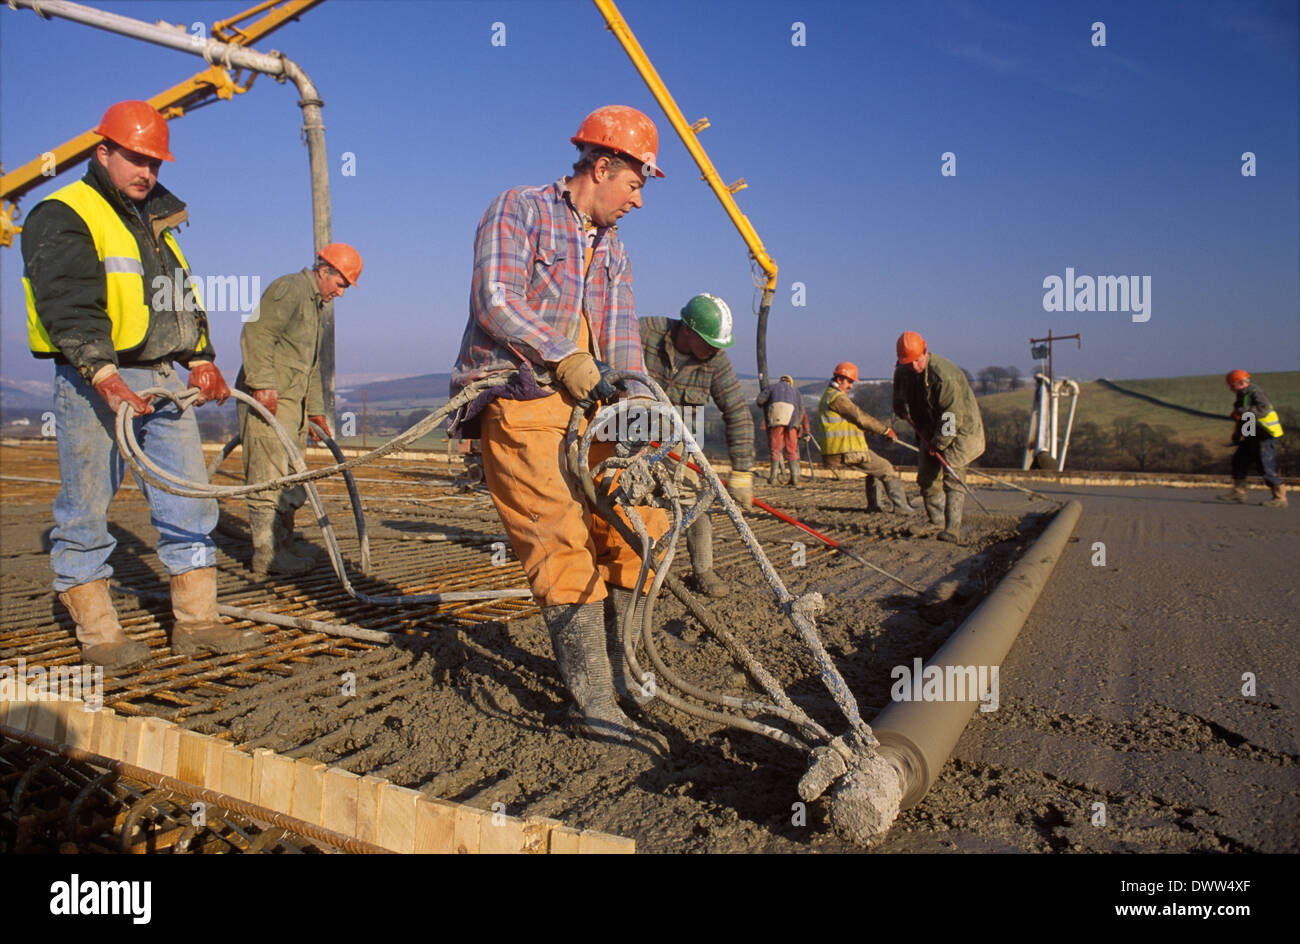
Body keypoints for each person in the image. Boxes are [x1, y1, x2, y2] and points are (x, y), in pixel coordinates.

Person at [449, 105, 668, 741]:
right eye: (635, 185)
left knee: (637, 526)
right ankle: (593, 703)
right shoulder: (519, 209)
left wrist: (635, 404)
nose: (638, 201)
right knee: (560, 539)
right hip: (522, 396)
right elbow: (495, 299)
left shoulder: (614, 249)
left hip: (593, 406)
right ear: (602, 168)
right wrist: (564, 353)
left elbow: (623, 332)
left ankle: (628, 678)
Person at [20, 101, 260, 671]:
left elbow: (181, 298)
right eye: (136, 158)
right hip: (93, 380)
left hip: (159, 379)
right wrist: (102, 374)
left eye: (154, 162)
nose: (147, 172)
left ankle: (198, 623)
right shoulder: (63, 212)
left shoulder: (152, 221)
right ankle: (99, 633)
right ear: (103, 152)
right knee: (86, 504)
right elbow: (67, 302)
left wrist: (200, 358)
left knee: (188, 500)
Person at [236, 243, 363, 574]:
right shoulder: (289, 288)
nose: (342, 292)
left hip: (294, 405)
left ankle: (285, 547)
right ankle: (266, 555)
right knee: (267, 476)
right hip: (271, 400)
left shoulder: (315, 306)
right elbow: (258, 332)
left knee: (292, 478)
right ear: (325, 271)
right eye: (341, 284)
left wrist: (316, 411)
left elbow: (311, 366)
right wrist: (262, 383)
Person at [638, 294, 755, 598]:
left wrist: (742, 471)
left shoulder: (715, 361)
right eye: (710, 343)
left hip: (677, 443)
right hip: (629, 433)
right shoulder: (643, 332)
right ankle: (636, 572)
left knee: (699, 497)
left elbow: (737, 412)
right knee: (630, 498)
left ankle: (703, 570)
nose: (715, 350)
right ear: (687, 330)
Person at [892, 331, 985, 543]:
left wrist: (939, 443)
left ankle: (952, 528)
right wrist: (898, 403)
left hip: (960, 429)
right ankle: (936, 522)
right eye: (908, 362)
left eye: (917, 360)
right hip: (929, 425)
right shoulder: (904, 368)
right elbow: (899, 377)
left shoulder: (945, 375)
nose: (914, 366)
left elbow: (952, 416)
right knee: (926, 477)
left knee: (952, 473)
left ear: (925, 351)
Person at [816, 361, 913, 515]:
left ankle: (875, 506)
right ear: (840, 379)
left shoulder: (829, 396)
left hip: (841, 449)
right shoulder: (837, 398)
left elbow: (851, 424)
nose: (851, 386)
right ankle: (902, 507)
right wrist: (885, 430)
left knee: (874, 470)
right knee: (886, 468)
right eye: (849, 381)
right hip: (846, 450)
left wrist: (877, 432)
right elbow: (860, 417)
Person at [1218, 369, 1286, 507]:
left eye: (1232, 385)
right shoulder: (1241, 395)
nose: (1230, 388)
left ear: (1242, 382)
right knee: (1239, 460)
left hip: (1264, 434)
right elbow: (1243, 418)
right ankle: (1239, 493)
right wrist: (1237, 435)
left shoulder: (1256, 393)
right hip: (1251, 433)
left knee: (1265, 466)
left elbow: (1263, 409)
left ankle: (1280, 497)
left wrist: (1242, 411)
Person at [756, 374, 810, 486]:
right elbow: (802, 411)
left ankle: (773, 477)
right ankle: (795, 478)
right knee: (792, 450)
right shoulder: (796, 392)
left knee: (776, 449)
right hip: (793, 421)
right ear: (790, 382)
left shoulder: (772, 387)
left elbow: (760, 401)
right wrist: (801, 428)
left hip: (777, 420)